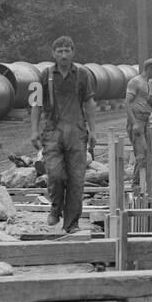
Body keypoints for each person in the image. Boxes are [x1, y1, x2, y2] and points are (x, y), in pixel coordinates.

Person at [29, 36, 97, 234]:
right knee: (55, 174)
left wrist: (93, 131)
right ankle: (56, 207)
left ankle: (72, 224)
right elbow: (36, 104)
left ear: (73, 52)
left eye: (67, 50)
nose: (64, 55)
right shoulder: (44, 75)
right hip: (53, 132)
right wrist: (34, 131)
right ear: (53, 54)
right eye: (60, 51)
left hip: (77, 132)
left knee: (76, 180)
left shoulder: (83, 75)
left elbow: (89, 104)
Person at [125, 57, 152, 191]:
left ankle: (142, 182)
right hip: (137, 122)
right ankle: (136, 185)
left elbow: (151, 103)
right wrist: (134, 123)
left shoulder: (150, 83)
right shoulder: (135, 82)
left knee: (147, 154)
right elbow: (127, 103)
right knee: (142, 154)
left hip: (145, 122)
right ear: (149, 68)